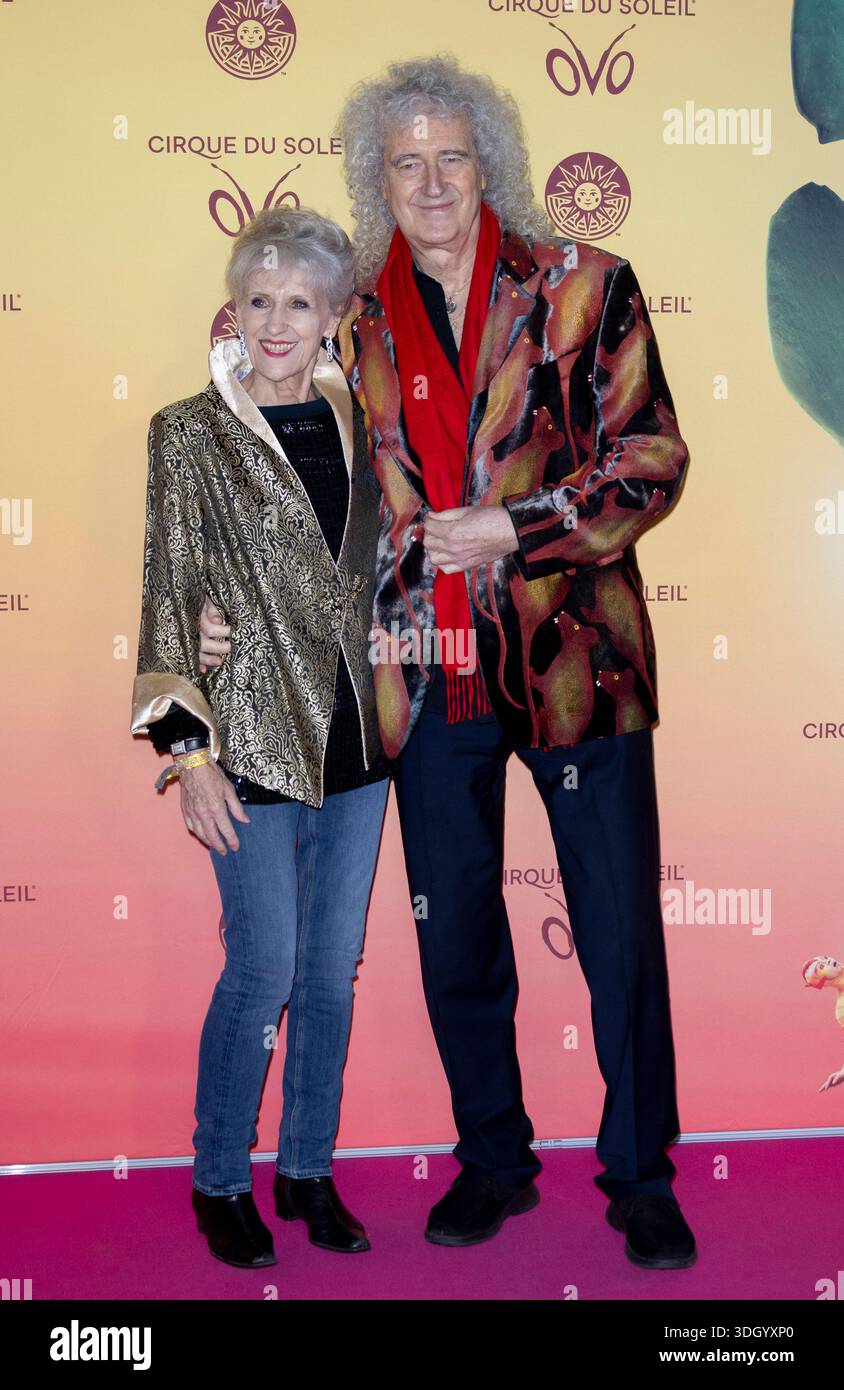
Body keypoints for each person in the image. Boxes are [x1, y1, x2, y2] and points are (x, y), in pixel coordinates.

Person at [201, 54, 696, 1271]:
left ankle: (639, 1174)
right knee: (452, 931)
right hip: (420, 668)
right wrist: (216, 616)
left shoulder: (587, 284)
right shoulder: (345, 313)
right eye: (405, 161)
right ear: (380, 178)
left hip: (577, 656)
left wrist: (516, 527)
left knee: (619, 930)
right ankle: (495, 1160)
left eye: (451, 157)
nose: (429, 180)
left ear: (492, 167)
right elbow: (286, 487)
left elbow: (652, 462)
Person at [131, 205, 390, 1269]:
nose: (276, 321)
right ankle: (219, 1177)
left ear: (332, 318)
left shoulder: (364, 425)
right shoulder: (186, 431)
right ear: (232, 311)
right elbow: (166, 596)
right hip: (245, 743)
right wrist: (186, 756)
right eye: (258, 299)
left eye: (299, 302)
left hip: (361, 745)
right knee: (263, 970)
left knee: (332, 972)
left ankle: (308, 1170)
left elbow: (389, 567)